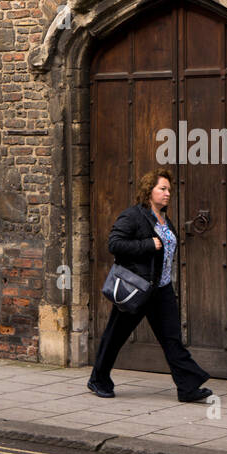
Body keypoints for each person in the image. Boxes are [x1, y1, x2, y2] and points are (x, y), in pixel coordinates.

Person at [88, 169, 212, 403]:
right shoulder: (133, 216)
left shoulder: (164, 219)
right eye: (162, 189)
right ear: (149, 191)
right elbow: (114, 244)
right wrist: (147, 244)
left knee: (172, 338)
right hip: (137, 288)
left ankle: (187, 387)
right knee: (115, 335)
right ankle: (98, 379)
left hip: (161, 290)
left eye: (169, 190)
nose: (167, 194)